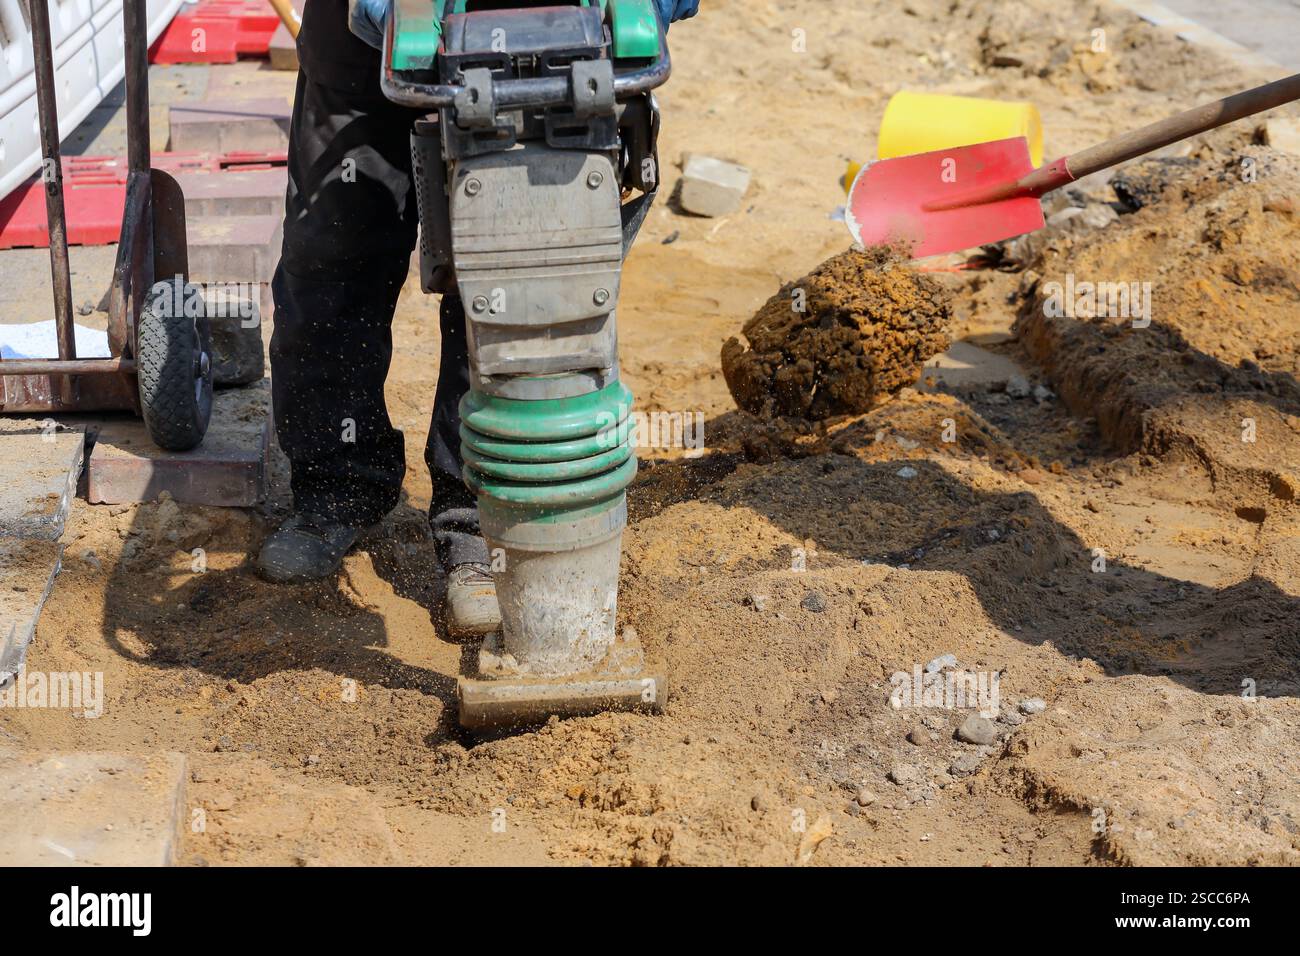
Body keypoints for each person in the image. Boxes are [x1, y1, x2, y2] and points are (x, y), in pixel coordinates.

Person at [256, 0, 700, 638]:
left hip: (540, 33)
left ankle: (477, 524)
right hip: (365, 40)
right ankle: (336, 486)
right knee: (332, 253)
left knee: (508, 266)